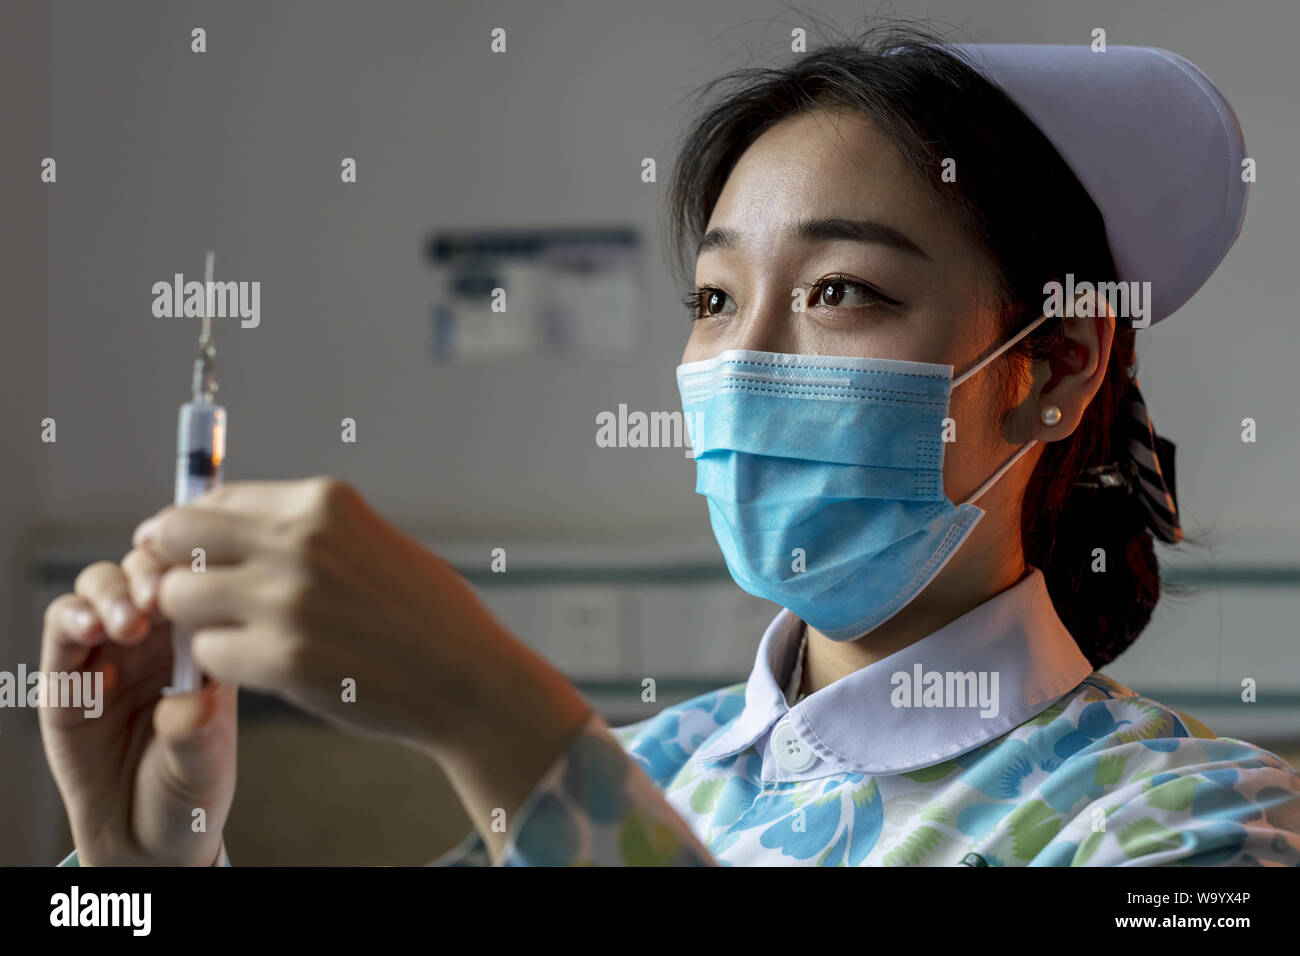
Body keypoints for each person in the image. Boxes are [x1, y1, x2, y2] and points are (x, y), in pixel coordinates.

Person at [41, 25, 1300, 867]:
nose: (743, 360)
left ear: (1057, 364)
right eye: (712, 298)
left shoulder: (1190, 825)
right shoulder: (643, 769)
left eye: (840, 290)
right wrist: (141, 864)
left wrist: (492, 708)